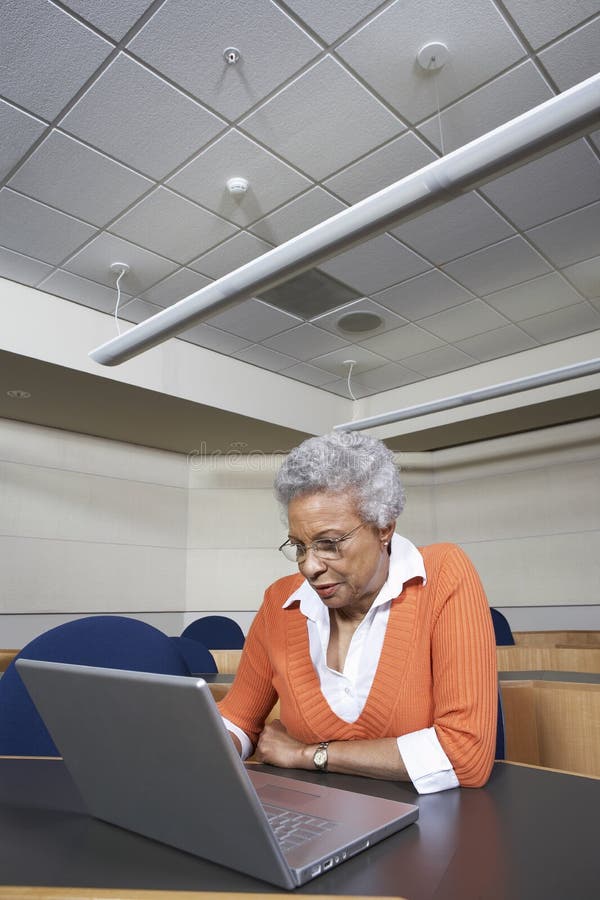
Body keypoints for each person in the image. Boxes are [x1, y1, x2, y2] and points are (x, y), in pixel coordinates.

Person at [218, 431, 497, 793]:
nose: (309, 566)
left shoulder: (443, 574)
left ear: (384, 527)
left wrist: (310, 754)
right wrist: (205, 751)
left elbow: (466, 755)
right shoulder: (279, 602)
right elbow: (239, 719)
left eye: (329, 544)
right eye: (299, 546)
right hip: (311, 820)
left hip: (426, 827)